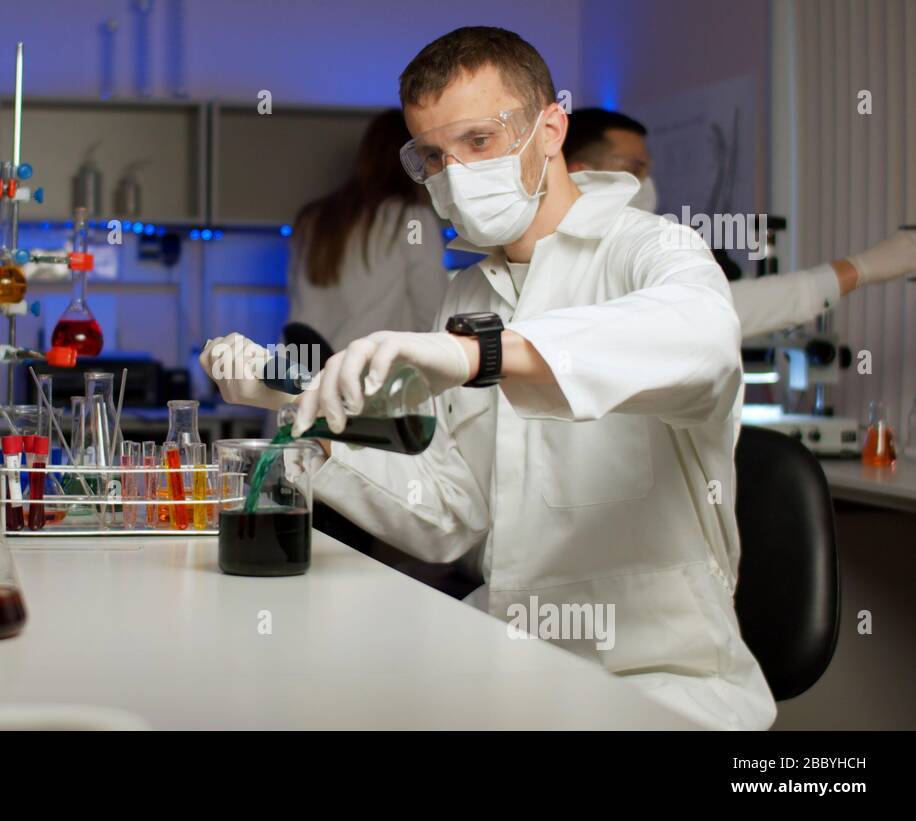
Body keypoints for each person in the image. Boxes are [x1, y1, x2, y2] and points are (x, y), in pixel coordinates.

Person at [204, 26, 777, 730]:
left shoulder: (651, 247)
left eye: (479, 141)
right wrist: (303, 409)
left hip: (656, 680)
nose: (456, 174)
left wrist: (487, 355)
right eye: (436, 156)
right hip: (510, 657)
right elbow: (451, 513)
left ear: (550, 128)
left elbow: (701, 340)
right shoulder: (466, 295)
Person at [564, 107, 916, 338]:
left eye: (649, 171)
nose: (648, 184)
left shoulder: (645, 244)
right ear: (579, 173)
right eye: (633, 169)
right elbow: (725, 309)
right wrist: (860, 269)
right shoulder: (568, 258)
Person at [286, 109, 449, 352]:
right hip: (376, 379)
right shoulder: (411, 218)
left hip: (314, 378)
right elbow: (434, 316)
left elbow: (302, 318)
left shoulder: (314, 220)